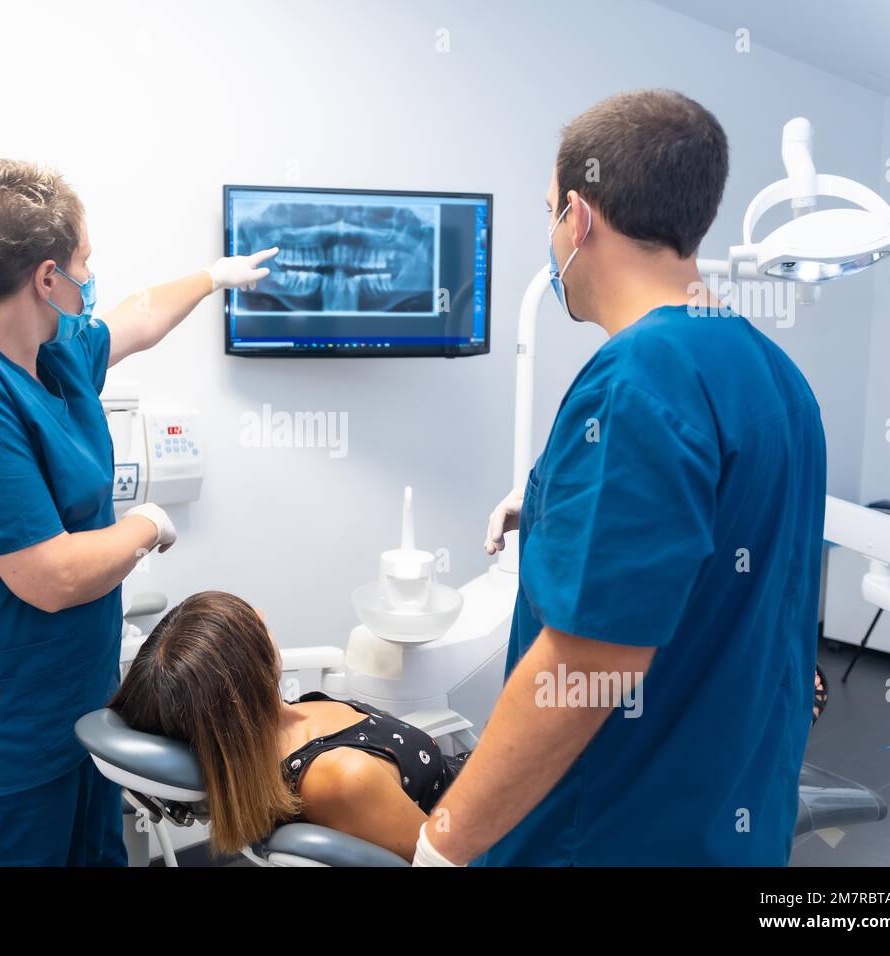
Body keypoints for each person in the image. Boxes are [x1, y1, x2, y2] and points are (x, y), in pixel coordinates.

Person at [415, 90, 826, 866]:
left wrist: (445, 843)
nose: (550, 233)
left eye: (547, 212)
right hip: (731, 822)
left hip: (608, 833)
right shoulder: (776, 377)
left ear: (579, 215)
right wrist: (545, 502)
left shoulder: (639, 380)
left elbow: (589, 664)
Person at [0, 159, 276, 866]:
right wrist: (145, 525)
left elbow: (138, 316)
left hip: (76, 707)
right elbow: (52, 576)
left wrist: (213, 276)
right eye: (84, 262)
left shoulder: (47, 351)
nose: (91, 279)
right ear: (45, 277)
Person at [110, 591, 469, 861]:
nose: (263, 615)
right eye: (254, 626)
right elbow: (444, 859)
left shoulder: (274, 725)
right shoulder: (339, 775)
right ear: (251, 677)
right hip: (488, 829)